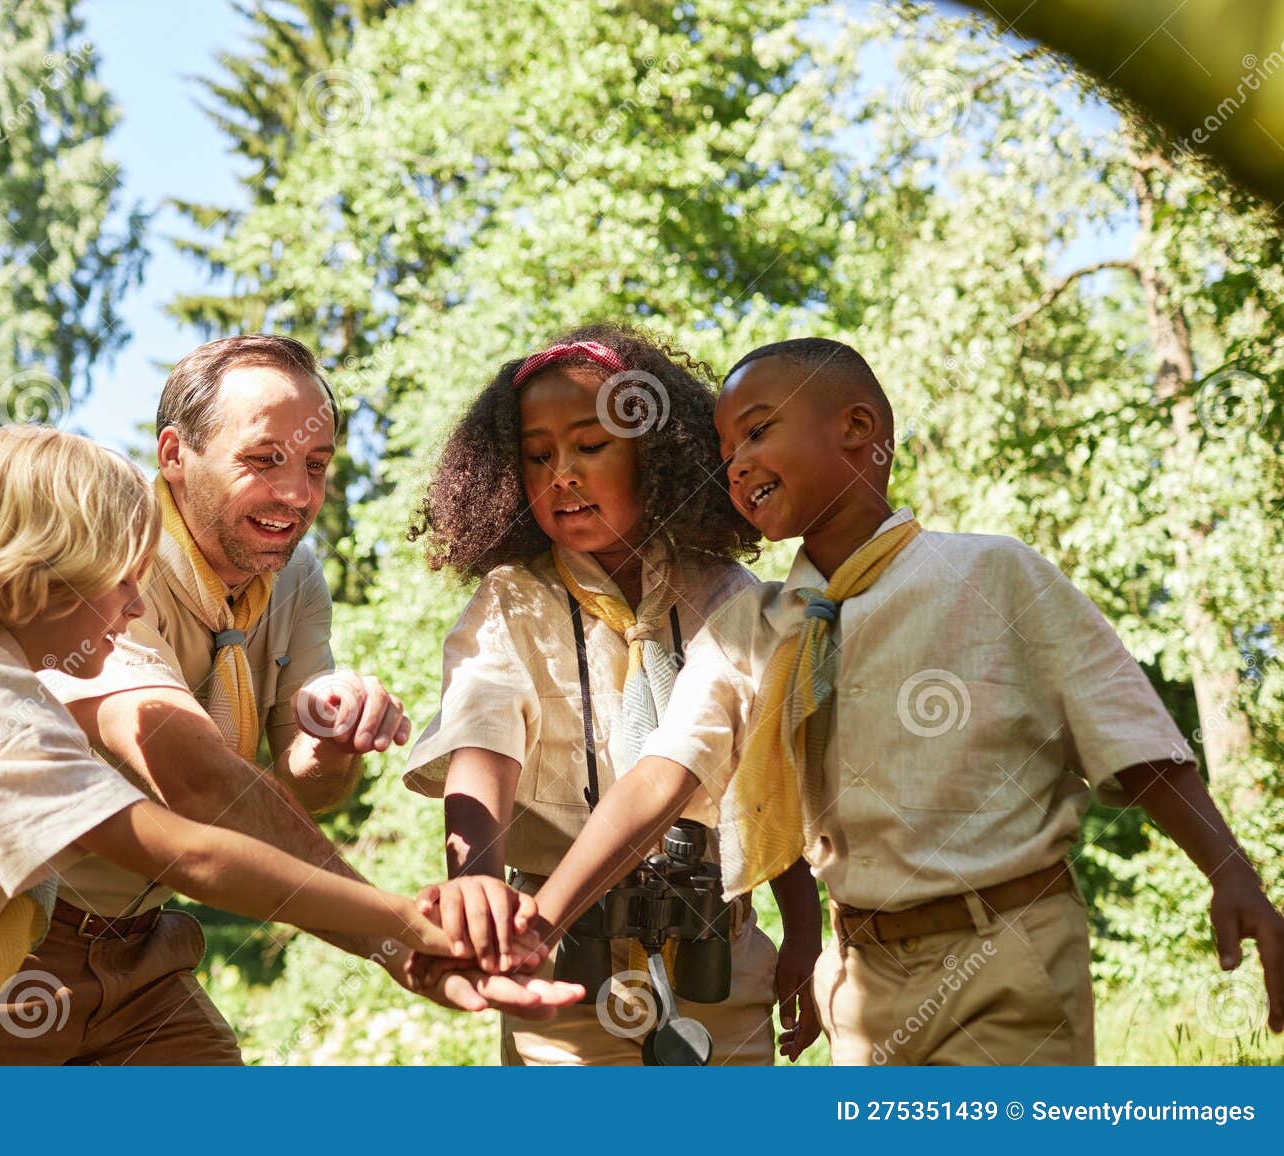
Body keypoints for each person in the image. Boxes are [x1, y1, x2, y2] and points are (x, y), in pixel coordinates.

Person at [523, 336, 1284, 1064]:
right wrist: (541, 920)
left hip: (1008, 951)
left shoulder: (993, 574)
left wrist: (1231, 872)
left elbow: (1132, 739)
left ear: (859, 428)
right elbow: (661, 774)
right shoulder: (753, 627)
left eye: (757, 433)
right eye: (725, 455)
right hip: (862, 983)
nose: (738, 464)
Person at [0, 426, 501, 1067]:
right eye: (121, 578)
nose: (135, 603)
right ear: (40, 574)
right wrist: (404, 922)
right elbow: (191, 854)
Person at [0, 336, 570, 1065]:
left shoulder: (294, 575)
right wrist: (398, 936)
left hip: (143, 954)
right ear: (175, 455)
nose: (297, 495)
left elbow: (302, 791)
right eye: (262, 459)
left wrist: (332, 739)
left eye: (316, 465)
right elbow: (199, 787)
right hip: (4, 950)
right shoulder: (104, 566)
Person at [404, 324, 822, 1065]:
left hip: (717, 954)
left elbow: (763, 777)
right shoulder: (512, 601)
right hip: (564, 958)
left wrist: (802, 930)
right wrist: (474, 887)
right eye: (537, 456)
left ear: (656, 456)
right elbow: (483, 738)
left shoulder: (728, 596)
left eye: (590, 447)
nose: (561, 473)